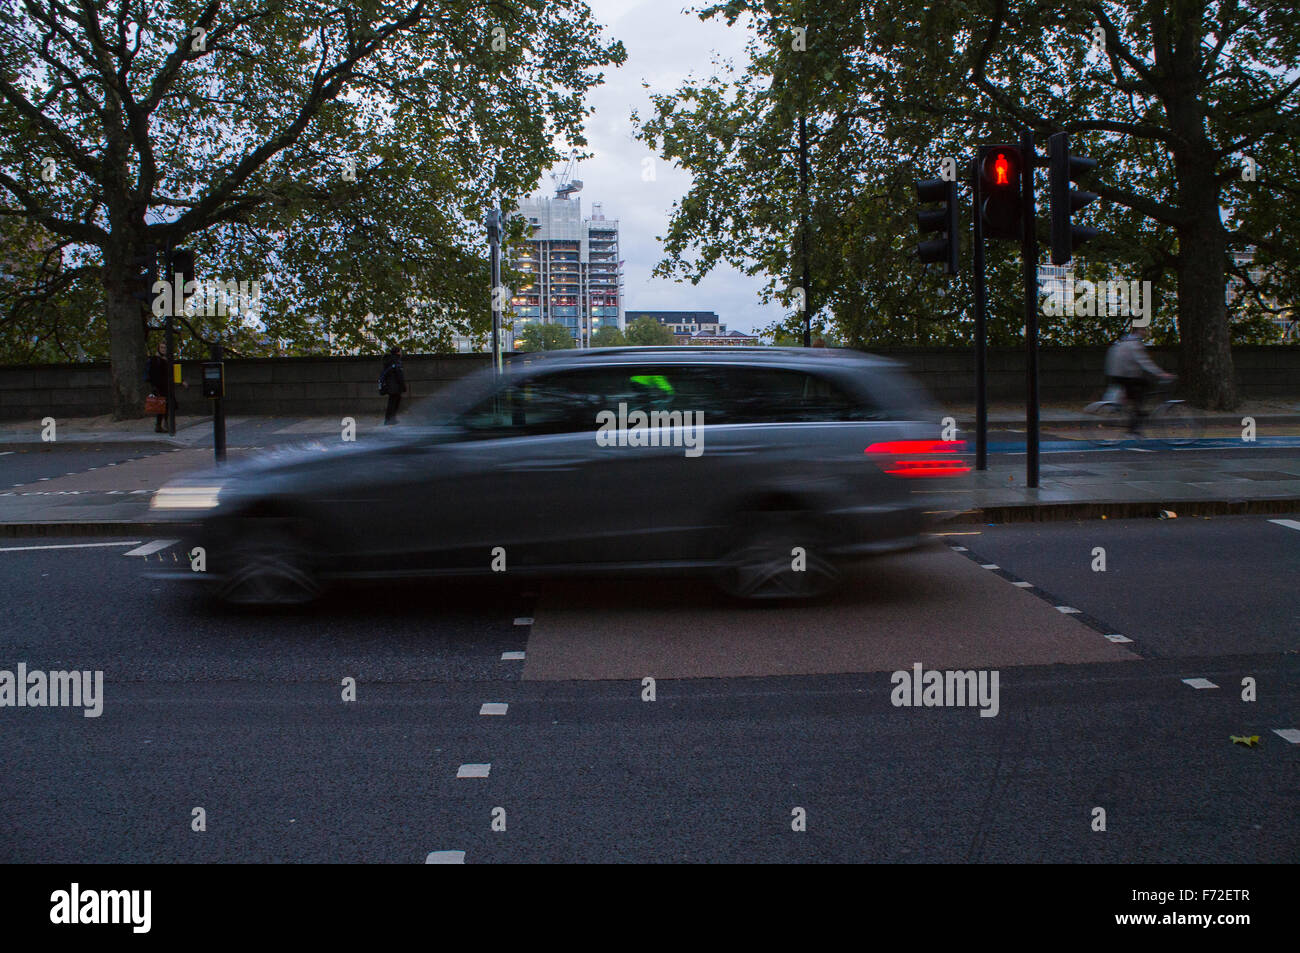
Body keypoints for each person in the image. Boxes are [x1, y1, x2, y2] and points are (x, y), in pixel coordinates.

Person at [1104, 324, 1175, 436]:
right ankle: (1134, 427)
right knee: (1143, 391)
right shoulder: (1135, 344)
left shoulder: (1122, 342)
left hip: (1116, 376)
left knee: (1138, 392)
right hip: (1127, 377)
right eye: (1143, 330)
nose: (1145, 332)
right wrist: (1161, 374)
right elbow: (1145, 363)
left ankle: (1132, 409)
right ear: (1138, 331)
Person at [146, 341, 171, 433]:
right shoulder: (155, 359)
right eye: (162, 347)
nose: (163, 349)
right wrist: (154, 387)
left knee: (165, 405)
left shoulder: (166, 359)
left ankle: (162, 424)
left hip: (166, 385)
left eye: (165, 348)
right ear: (159, 348)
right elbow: (153, 374)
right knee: (162, 405)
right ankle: (161, 425)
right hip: (159, 386)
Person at [381, 346, 408, 425]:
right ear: (398, 352)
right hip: (395, 385)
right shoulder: (396, 361)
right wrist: (403, 385)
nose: (401, 353)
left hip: (390, 384)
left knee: (391, 402)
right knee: (394, 403)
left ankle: (389, 419)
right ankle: (390, 419)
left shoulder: (389, 360)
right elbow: (399, 374)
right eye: (400, 351)